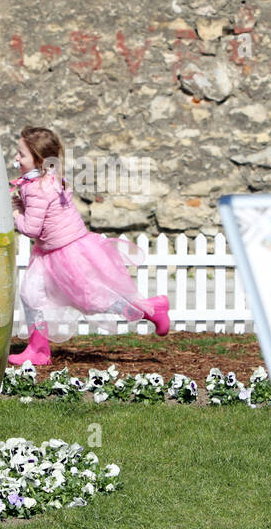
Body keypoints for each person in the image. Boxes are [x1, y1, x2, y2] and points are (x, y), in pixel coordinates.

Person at [9, 126, 169, 366]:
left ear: (39, 160)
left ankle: (150, 309)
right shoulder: (43, 181)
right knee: (30, 293)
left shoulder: (37, 188)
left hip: (68, 253)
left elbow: (32, 228)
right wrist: (22, 207)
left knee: (95, 299)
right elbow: (41, 220)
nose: (15, 158)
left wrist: (14, 214)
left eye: (21, 154)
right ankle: (38, 350)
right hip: (49, 252)